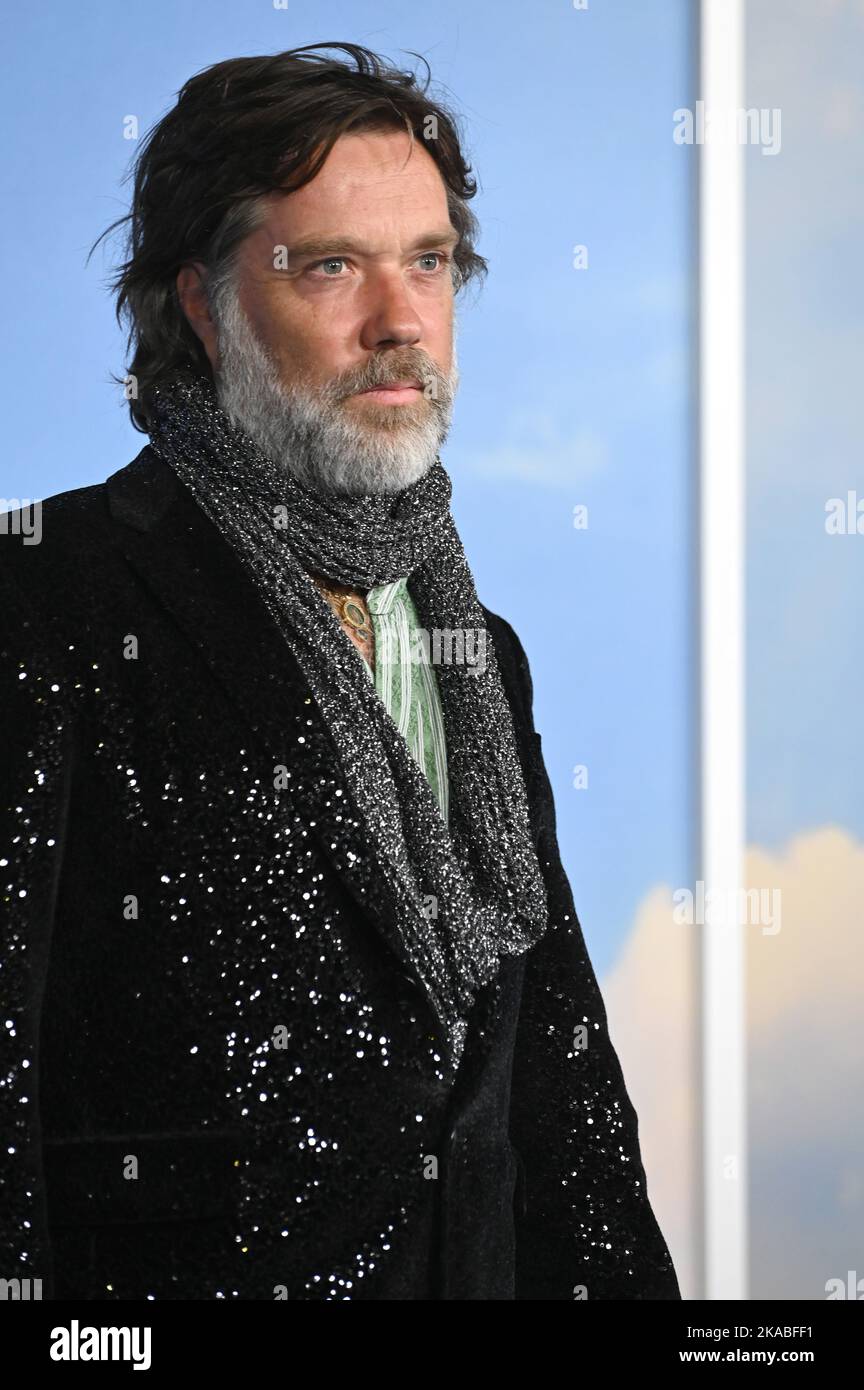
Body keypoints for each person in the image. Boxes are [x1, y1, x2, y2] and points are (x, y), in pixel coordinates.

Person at [0, 43, 680, 1301]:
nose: (400, 323)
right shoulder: (43, 598)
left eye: (429, 263)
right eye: (330, 267)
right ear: (202, 306)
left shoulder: (480, 650)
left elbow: (560, 1104)